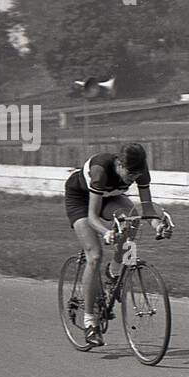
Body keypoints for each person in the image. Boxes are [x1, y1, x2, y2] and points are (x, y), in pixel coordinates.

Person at [64, 143, 167, 347]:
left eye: (136, 175)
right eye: (129, 174)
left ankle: (115, 272)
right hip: (82, 201)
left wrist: (157, 225)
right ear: (119, 164)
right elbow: (93, 217)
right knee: (94, 255)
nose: (132, 179)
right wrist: (106, 231)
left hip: (108, 197)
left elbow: (146, 208)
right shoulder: (100, 170)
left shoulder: (140, 172)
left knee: (134, 217)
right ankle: (90, 322)